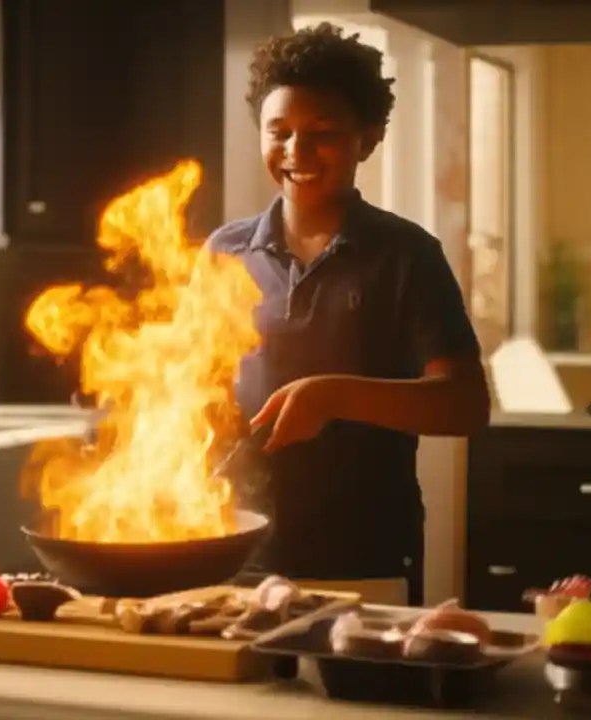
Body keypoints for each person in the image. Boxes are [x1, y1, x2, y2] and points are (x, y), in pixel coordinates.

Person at [206, 22, 491, 607]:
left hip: (364, 560)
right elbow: (192, 392)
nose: (297, 151)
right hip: (236, 555)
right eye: (279, 132)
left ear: (368, 138)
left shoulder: (408, 255)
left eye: (323, 133)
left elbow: (464, 404)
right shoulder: (224, 252)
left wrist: (333, 397)